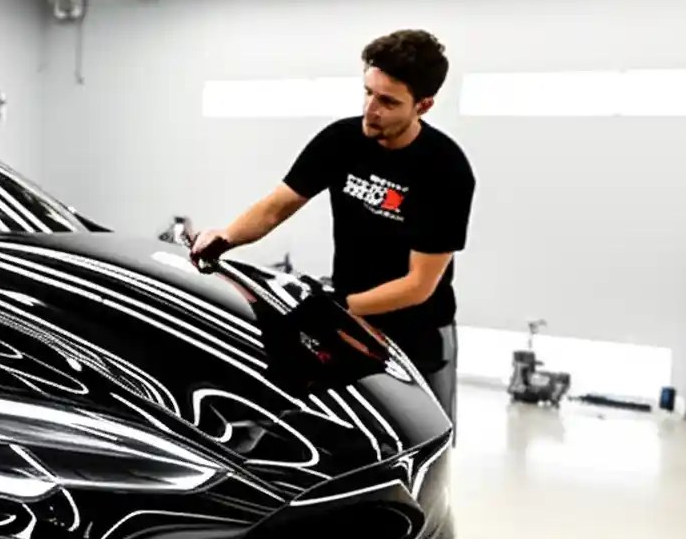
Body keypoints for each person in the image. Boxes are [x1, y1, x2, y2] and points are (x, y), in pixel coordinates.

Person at [189, 29, 475, 426]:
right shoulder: (341, 141)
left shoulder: (445, 169)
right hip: (350, 316)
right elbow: (276, 207)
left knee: (417, 437)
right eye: (368, 92)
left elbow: (418, 285)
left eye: (388, 101)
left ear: (423, 105)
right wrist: (224, 237)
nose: (371, 109)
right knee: (329, 427)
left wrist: (340, 308)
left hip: (417, 333)